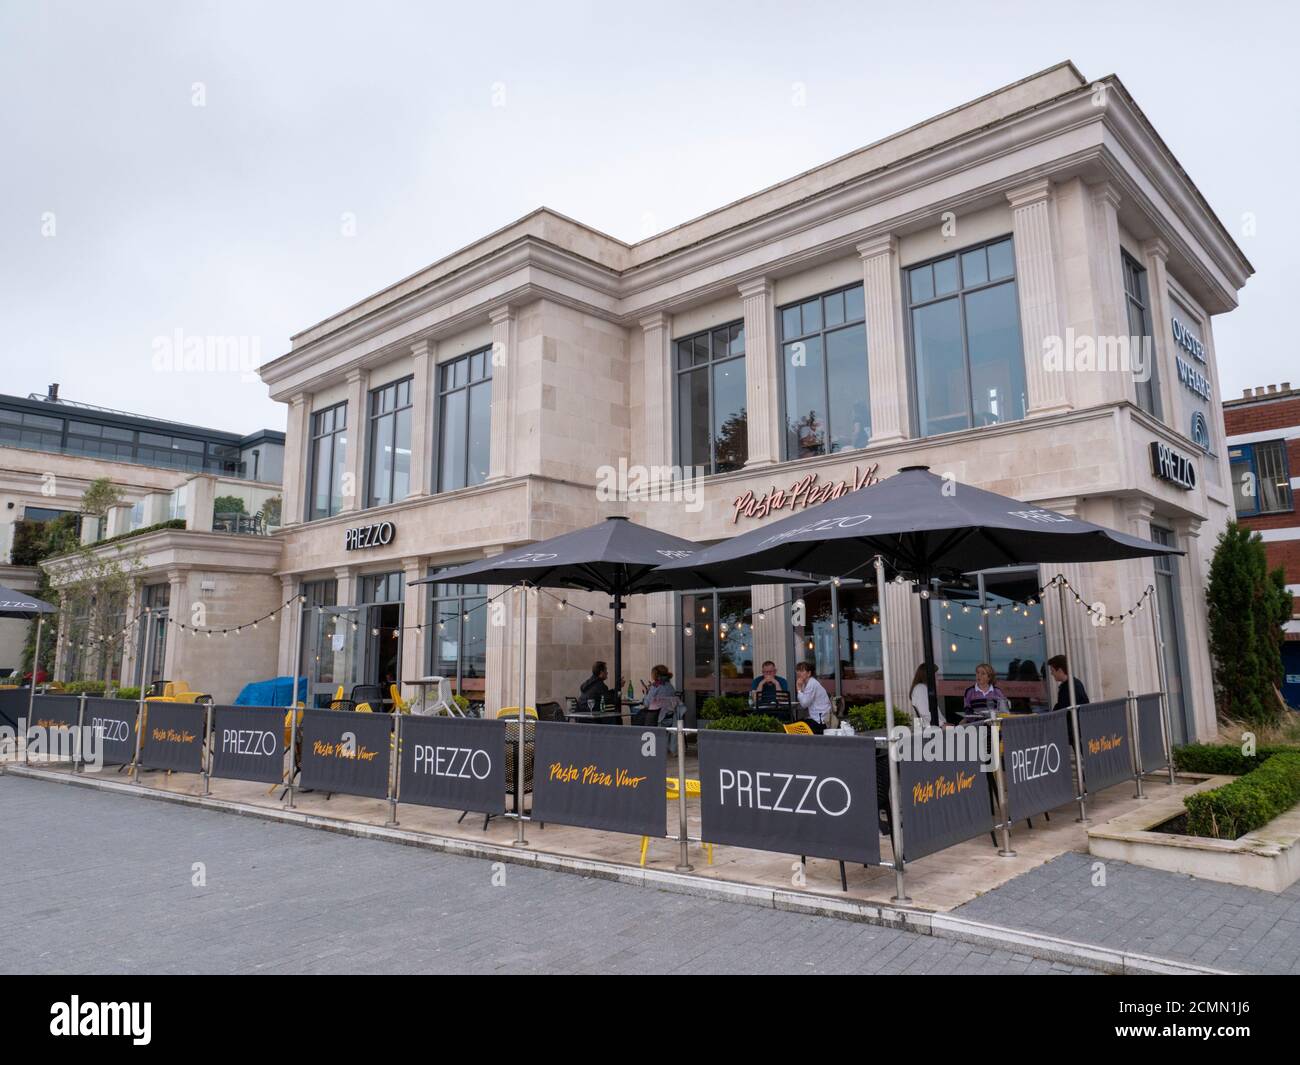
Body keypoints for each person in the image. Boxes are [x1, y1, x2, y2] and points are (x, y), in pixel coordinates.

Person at [645, 664, 685, 752]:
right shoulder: (671, 687)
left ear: (655, 674)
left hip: (657, 719)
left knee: (638, 714)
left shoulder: (655, 686)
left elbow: (646, 703)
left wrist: (647, 692)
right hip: (671, 718)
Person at [794, 661, 832, 733]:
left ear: (809, 673)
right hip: (817, 719)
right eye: (798, 670)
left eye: (802, 671)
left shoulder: (812, 684)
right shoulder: (807, 684)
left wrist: (798, 689)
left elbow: (804, 704)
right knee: (793, 725)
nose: (799, 673)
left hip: (820, 722)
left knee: (793, 727)